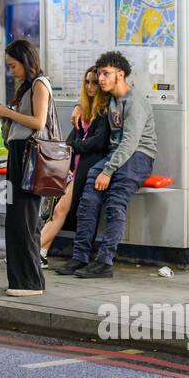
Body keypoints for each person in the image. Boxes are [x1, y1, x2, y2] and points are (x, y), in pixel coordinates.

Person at [63, 50, 157, 279]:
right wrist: (77, 106)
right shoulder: (110, 99)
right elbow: (88, 97)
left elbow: (130, 143)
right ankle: (80, 256)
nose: (101, 79)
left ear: (121, 74)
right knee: (88, 200)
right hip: (115, 157)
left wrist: (107, 171)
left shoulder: (135, 103)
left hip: (138, 157)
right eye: (100, 74)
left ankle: (104, 262)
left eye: (106, 74)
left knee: (115, 202)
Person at [0, 39, 51, 297]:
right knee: (16, 219)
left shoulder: (39, 84)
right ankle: (23, 279)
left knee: (24, 220)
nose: (11, 71)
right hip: (19, 155)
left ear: (25, 61)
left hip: (29, 157)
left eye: (13, 66)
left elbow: (38, 121)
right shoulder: (27, 86)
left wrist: (7, 112)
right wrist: (5, 114)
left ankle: (29, 282)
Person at [43, 65, 111, 272]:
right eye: (87, 82)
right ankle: (40, 252)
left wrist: (73, 146)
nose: (90, 87)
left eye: (94, 83)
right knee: (55, 211)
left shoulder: (105, 111)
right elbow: (73, 139)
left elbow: (98, 143)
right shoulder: (84, 110)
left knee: (66, 210)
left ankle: (33, 250)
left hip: (89, 168)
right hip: (74, 168)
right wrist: (73, 145)